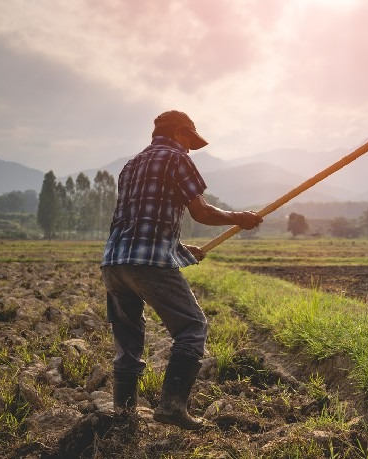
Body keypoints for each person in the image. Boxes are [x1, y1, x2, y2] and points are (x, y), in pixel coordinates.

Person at [101, 110, 262, 430]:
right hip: (149, 265)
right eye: (189, 140)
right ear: (178, 133)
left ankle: (123, 417)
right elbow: (200, 212)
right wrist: (238, 217)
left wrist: (183, 251)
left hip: (115, 263)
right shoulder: (178, 159)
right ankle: (172, 408)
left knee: (129, 341)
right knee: (192, 328)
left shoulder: (130, 165)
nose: (190, 148)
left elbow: (141, 221)